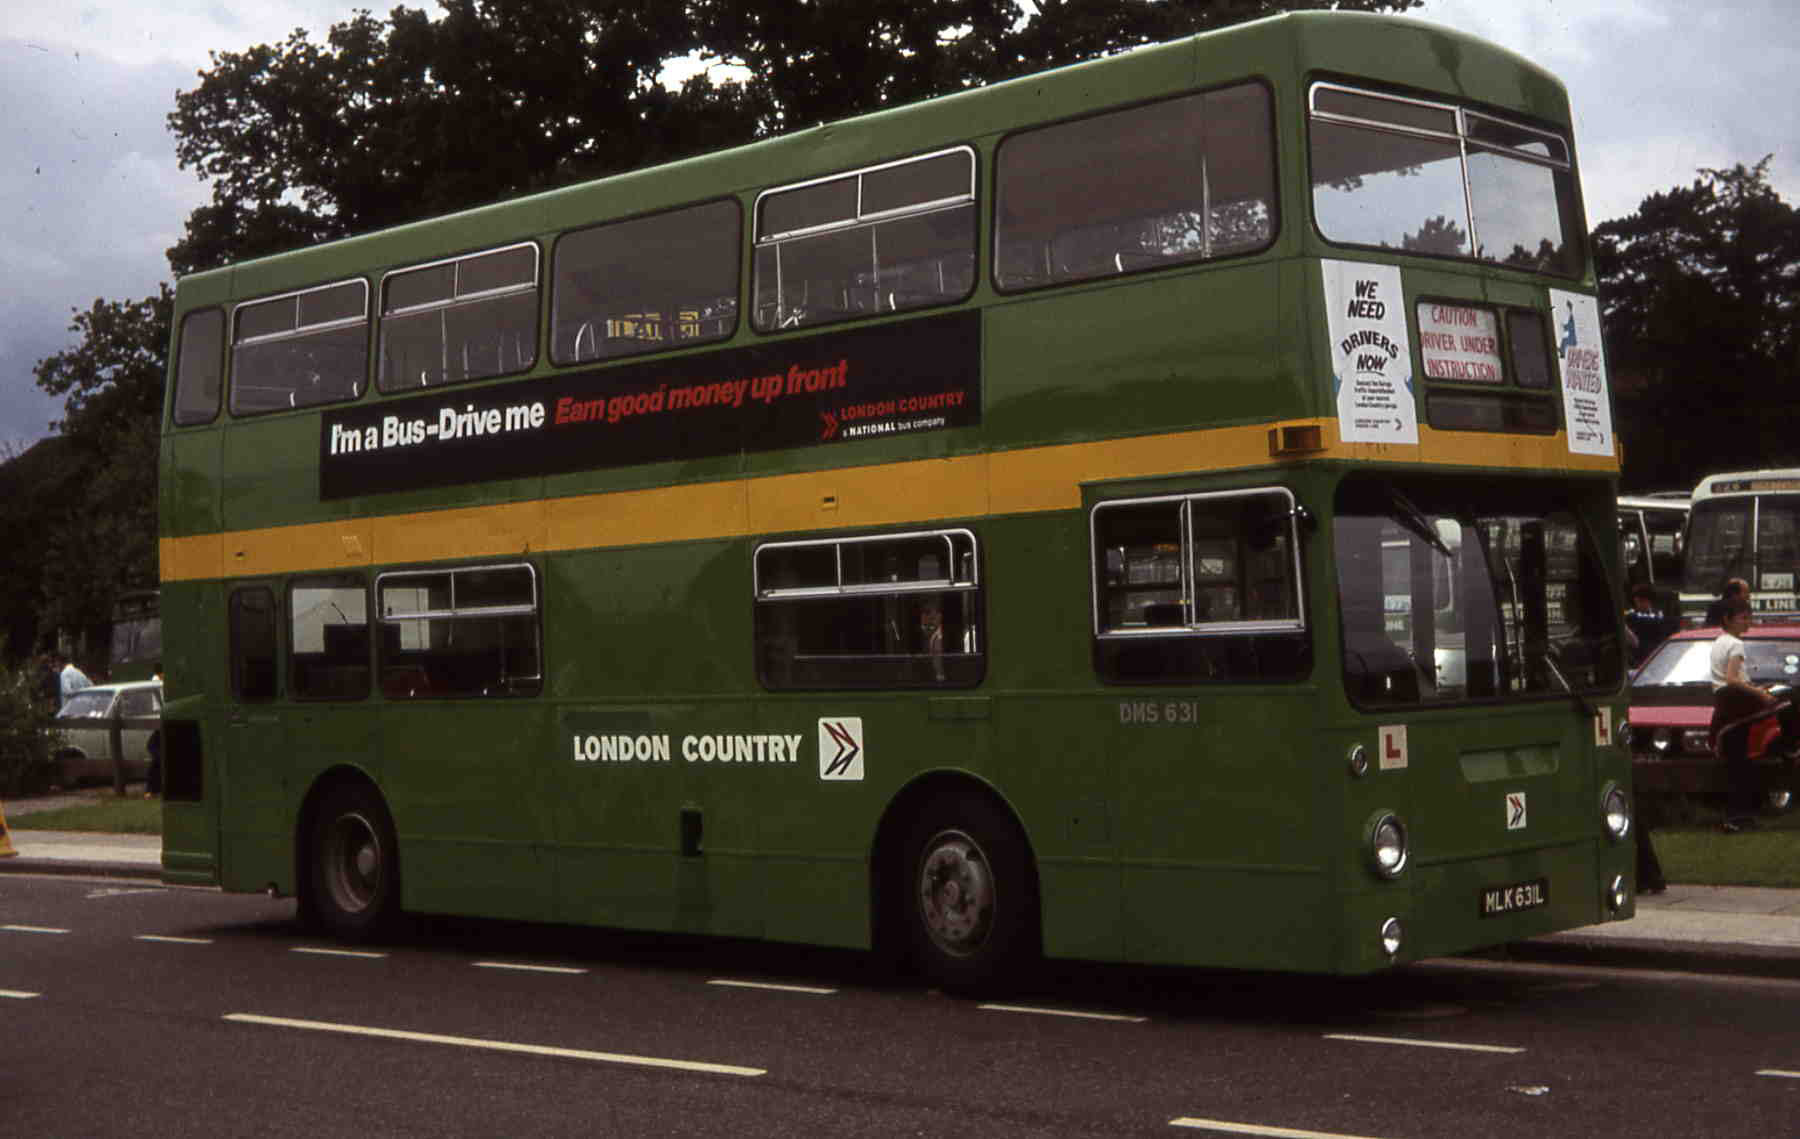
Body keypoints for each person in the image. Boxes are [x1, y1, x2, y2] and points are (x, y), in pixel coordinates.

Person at [1709, 598, 1800, 832]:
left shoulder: (1720, 641)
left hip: (1724, 700)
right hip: (1736, 700)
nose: (1748, 622)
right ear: (1728, 620)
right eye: (1743, 618)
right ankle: (1789, 747)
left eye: (1749, 617)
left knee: (1739, 763)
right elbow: (1732, 679)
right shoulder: (1736, 644)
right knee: (1790, 701)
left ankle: (1738, 817)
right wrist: (1760, 695)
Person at [1624, 583, 1671, 667]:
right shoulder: (1631, 614)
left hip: (1652, 653)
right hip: (1638, 656)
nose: (1638, 604)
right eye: (1636, 602)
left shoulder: (1656, 615)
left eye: (1640, 601)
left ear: (1647, 601)